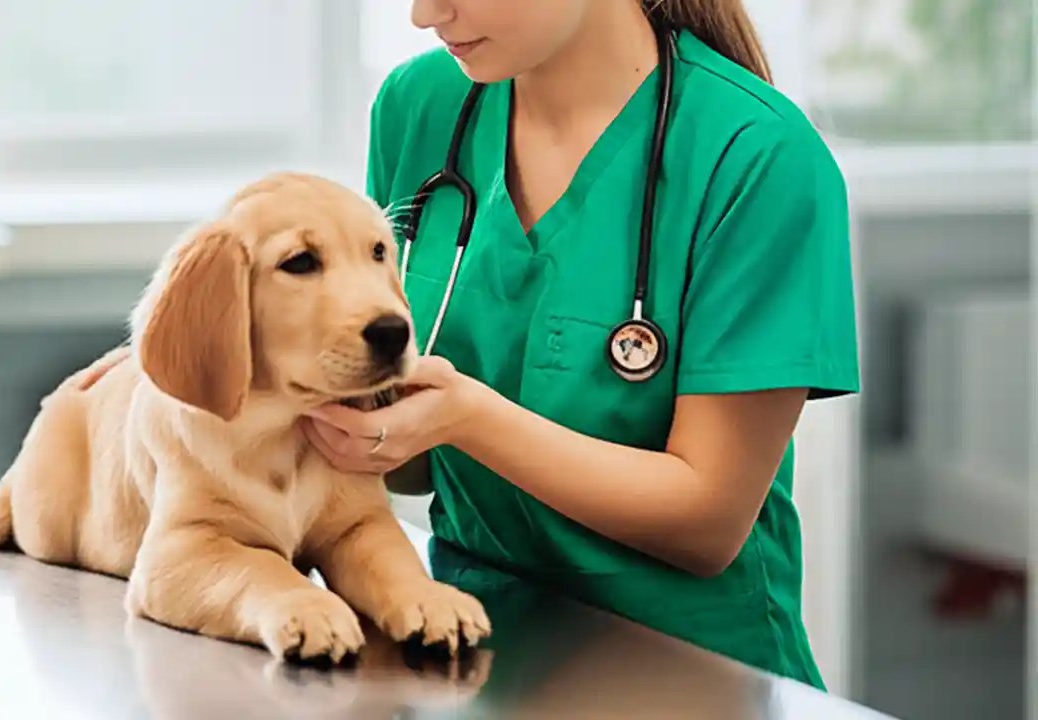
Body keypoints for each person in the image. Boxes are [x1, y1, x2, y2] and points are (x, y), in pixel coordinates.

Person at [299, 0, 861, 691]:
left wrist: (465, 419)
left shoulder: (756, 156)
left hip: (693, 677)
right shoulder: (421, 108)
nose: (424, 14)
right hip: (471, 659)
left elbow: (708, 521)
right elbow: (407, 467)